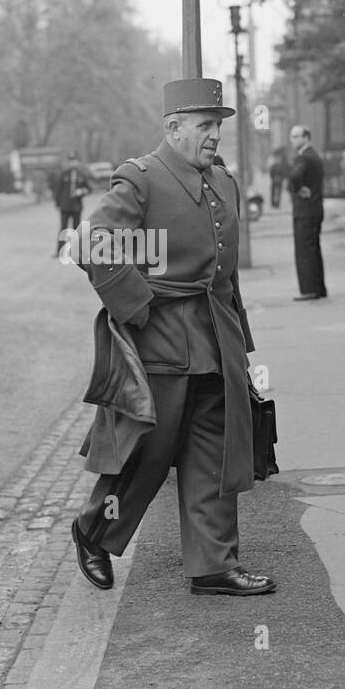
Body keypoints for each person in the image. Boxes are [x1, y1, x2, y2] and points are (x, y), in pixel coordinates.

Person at [69, 77, 275, 598]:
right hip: (161, 339)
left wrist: (239, 340)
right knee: (149, 450)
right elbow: (92, 243)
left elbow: (225, 276)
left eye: (218, 126)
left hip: (216, 338)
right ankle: (93, 531)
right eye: (205, 126)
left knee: (215, 450)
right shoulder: (141, 178)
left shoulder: (222, 181)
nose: (214, 137)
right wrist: (138, 307)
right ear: (173, 127)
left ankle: (212, 565)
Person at [287, 125, 326, 300]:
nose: (293, 140)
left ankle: (309, 290)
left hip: (305, 211)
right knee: (314, 249)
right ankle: (319, 288)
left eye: (296, 136)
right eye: (292, 137)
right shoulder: (314, 156)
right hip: (315, 209)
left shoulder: (304, 158)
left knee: (305, 251)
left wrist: (298, 188)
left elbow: (294, 177)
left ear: (306, 137)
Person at [51, 152, 90, 256]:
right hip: (65, 206)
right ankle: (59, 251)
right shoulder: (64, 174)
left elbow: (89, 189)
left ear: (78, 162)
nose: (73, 163)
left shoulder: (82, 174)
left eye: (74, 160)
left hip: (77, 206)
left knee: (76, 229)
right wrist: (57, 203)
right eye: (71, 160)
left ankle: (76, 252)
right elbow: (59, 189)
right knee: (63, 228)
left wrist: (81, 191)